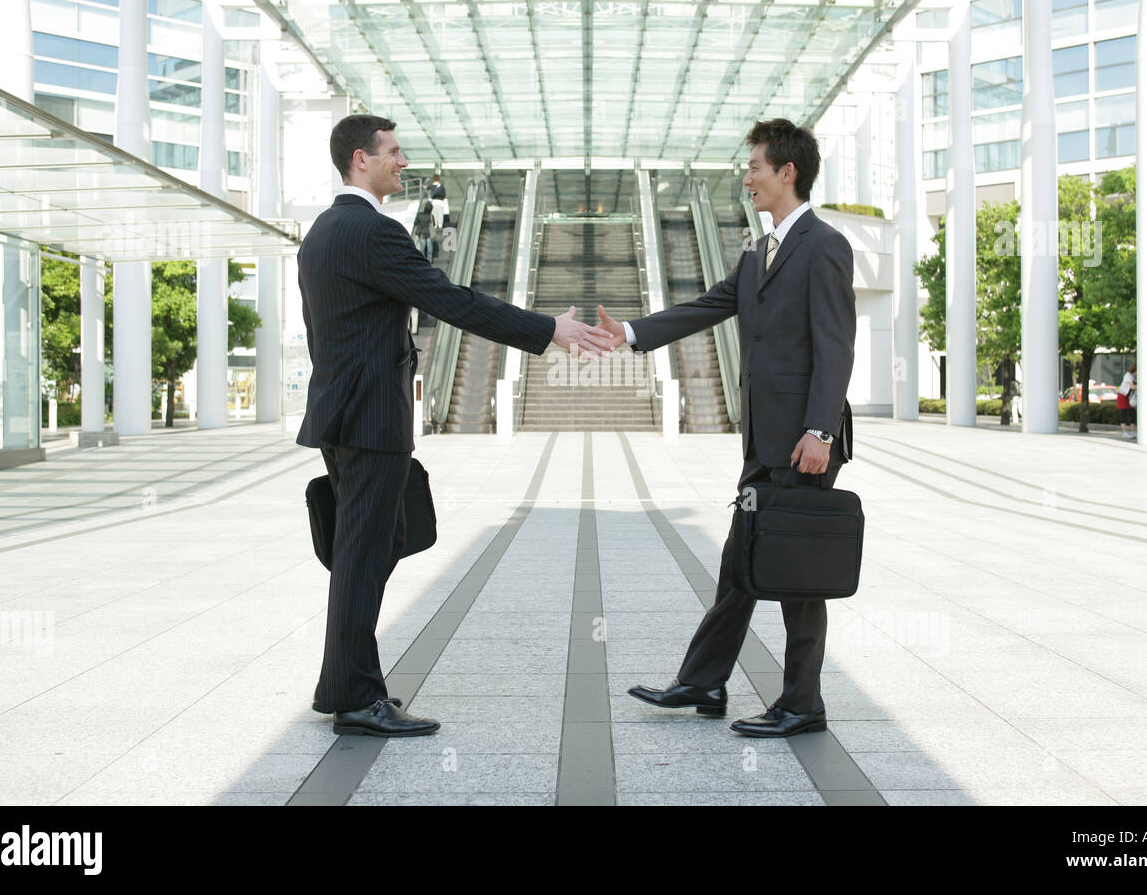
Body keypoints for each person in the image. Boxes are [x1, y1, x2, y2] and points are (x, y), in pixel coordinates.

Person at [296, 114, 615, 737]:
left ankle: (346, 683)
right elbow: (453, 301)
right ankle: (356, 698)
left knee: (369, 548)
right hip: (369, 419)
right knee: (364, 554)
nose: (403, 162)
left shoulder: (324, 232)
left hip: (341, 412)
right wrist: (551, 330)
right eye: (393, 152)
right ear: (360, 159)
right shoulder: (372, 232)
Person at [600, 119, 856, 737]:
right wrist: (631, 333)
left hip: (803, 443)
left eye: (755, 168)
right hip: (765, 440)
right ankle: (705, 679)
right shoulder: (757, 248)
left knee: (797, 576)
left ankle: (802, 705)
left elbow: (836, 345)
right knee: (741, 560)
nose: (748, 179)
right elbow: (713, 303)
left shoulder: (824, 245)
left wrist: (820, 432)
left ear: (787, 172)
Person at [1117, 362, 1136, 438]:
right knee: (1123, 414)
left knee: (1132, 414)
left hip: (1129, 397)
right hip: (1122, 396)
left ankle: (1132, 431)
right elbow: (1132, 387)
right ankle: (1124, 432)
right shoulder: (1128, 376)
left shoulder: (1134, 377)